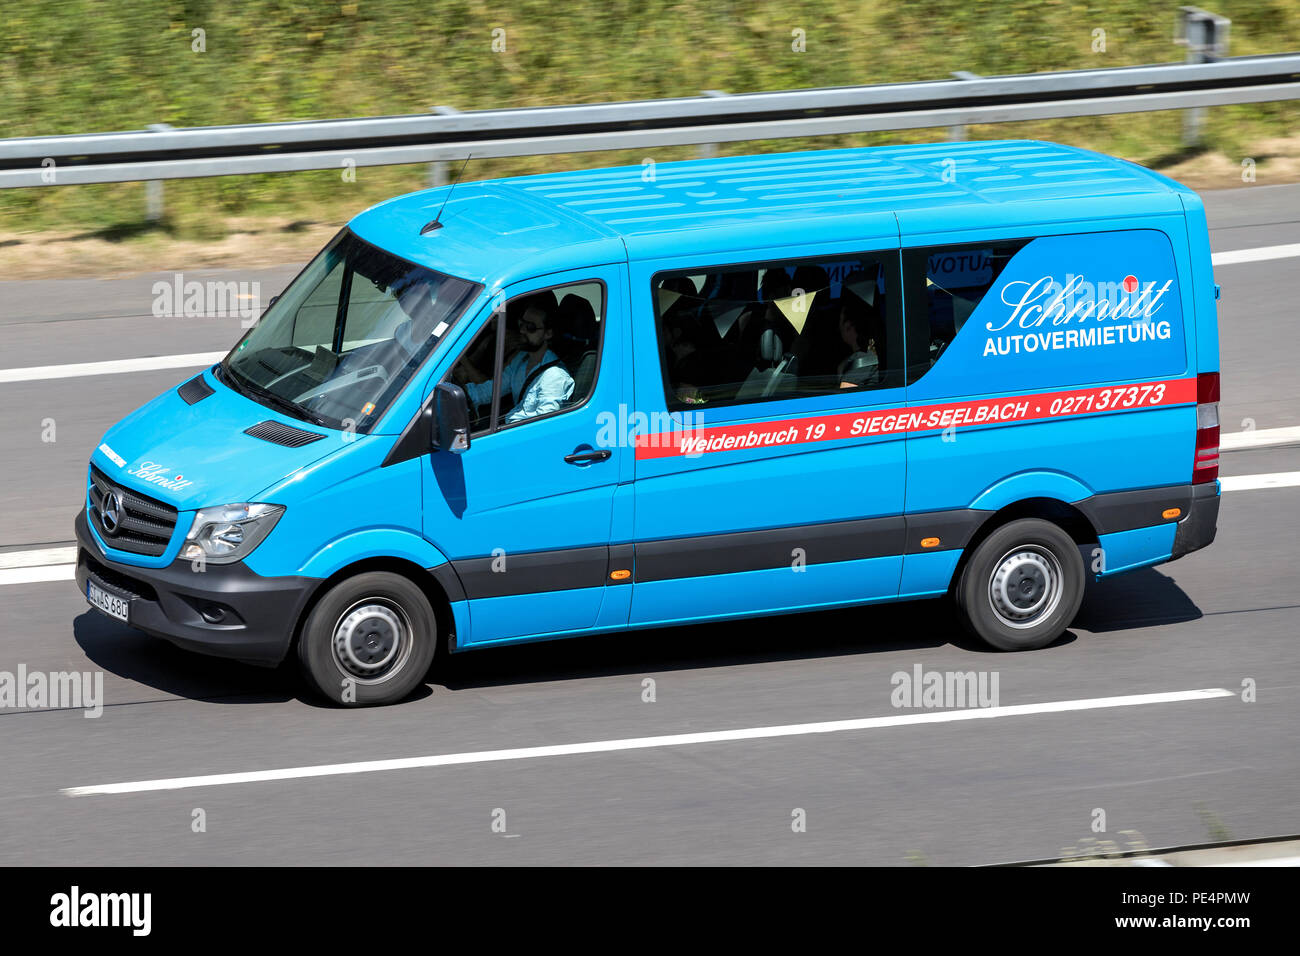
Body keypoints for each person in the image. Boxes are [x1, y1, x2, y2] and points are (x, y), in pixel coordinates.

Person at [454, 296, 575, 423]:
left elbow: (542, 427)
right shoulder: (521, 359)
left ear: (548, 334)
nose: (522, 330)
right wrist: (460, 393)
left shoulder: (554, 377)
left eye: (530, 327)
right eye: (521, 323)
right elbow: (491, 390)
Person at [838, 295, 883, 388]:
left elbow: (843, 398)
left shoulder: (861, 360)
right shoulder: (874, 354)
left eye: (840, 321)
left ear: (848, 326)